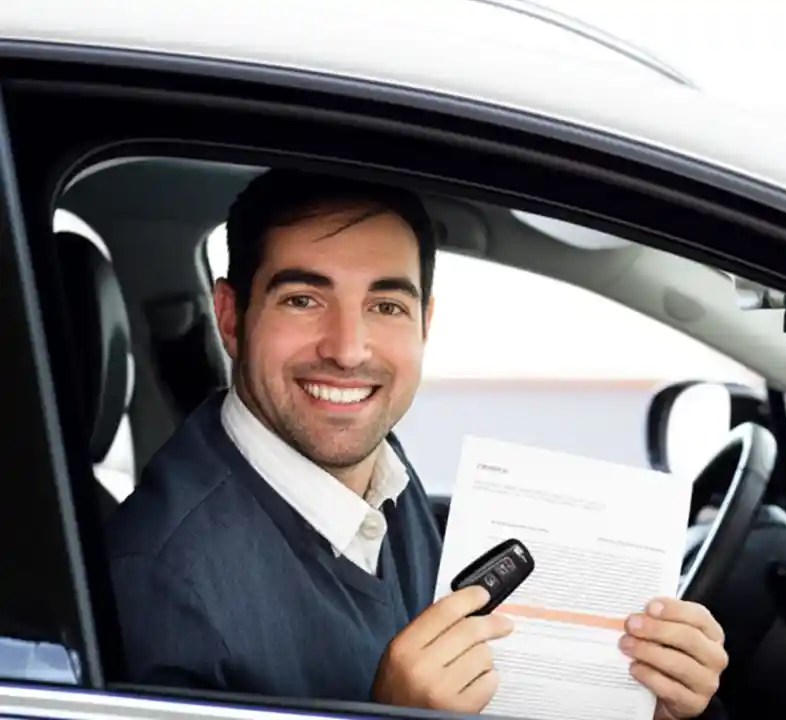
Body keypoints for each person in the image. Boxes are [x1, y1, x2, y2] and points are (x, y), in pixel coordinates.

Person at [106, 168, 729, 719]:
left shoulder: (371, 462)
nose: (348, 350)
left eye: (386, 306)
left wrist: (644, 701)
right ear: (231, 316)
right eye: (303, 299)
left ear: (425, 322)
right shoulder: (164, 584)